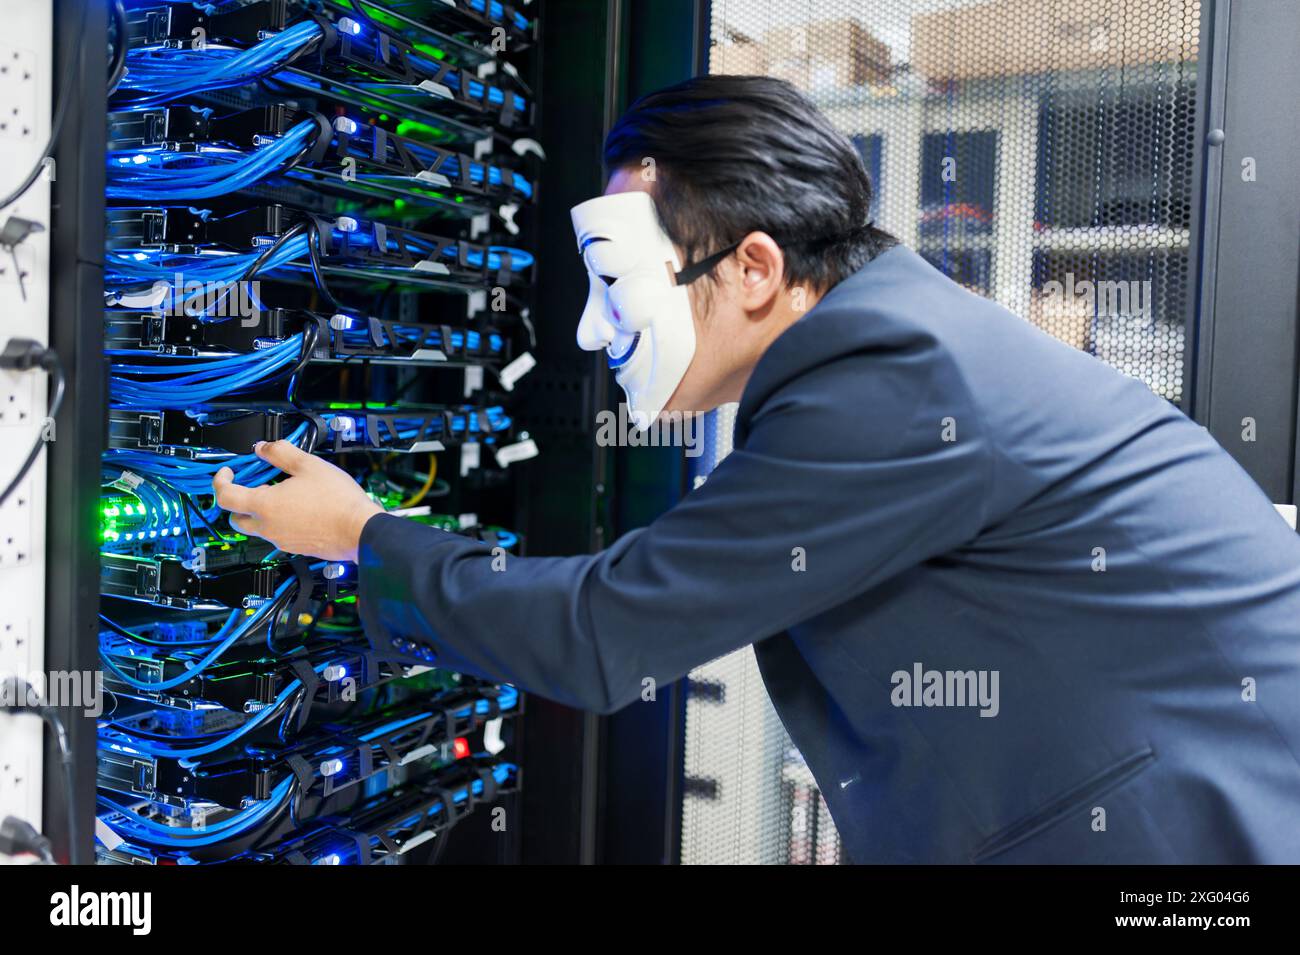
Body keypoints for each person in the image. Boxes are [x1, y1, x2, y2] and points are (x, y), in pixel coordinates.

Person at [214, 75, 1300, 863]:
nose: (592, 334)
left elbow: (605, 634)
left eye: (611, 283)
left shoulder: (892, 385)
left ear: (754, 268)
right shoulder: (886, 348)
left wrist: (360, 534)